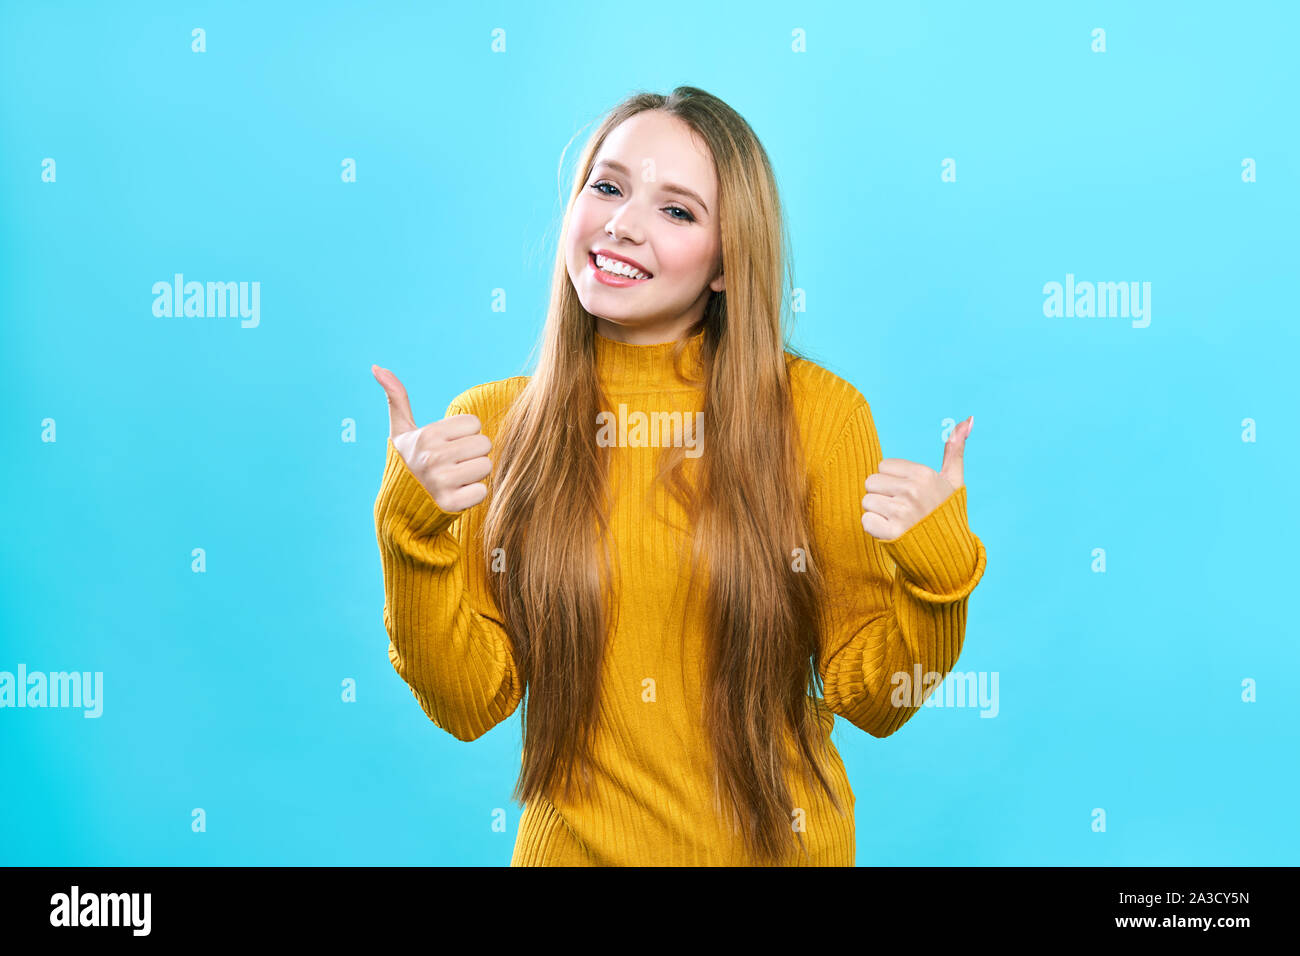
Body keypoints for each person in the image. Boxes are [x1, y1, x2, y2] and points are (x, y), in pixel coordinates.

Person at [371, 86, 987, 866]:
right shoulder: (494, 425)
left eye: (678, 211)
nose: (623, 224)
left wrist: (939, 576)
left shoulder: (819, 415)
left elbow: (873, 701)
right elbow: (466, 703)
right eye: (608, 186)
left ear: (729, 262)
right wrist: (409, 532)